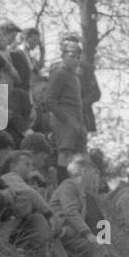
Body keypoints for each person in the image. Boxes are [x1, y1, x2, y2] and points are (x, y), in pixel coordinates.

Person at [50, 151, 122, 257]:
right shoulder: (69, 185)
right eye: (94, 176)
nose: (96, 182)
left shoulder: (83, 195)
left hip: (73, 235)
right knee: (98, 247)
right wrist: (88, 235)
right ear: (83, 172)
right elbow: (70, 212)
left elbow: (100, 223)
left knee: (109, 248)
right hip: (63, 234)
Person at [40, 34, 86, 176]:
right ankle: (62, 184)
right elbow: (49, 100)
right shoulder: (59, 73)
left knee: (79, 157)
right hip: (64, 118)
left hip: (76, 118)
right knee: (65, 153)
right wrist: (66, 118)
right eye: (72, 55)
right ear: (64, 55)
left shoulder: (75, 76)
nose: (76, 59)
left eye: (78, 56)